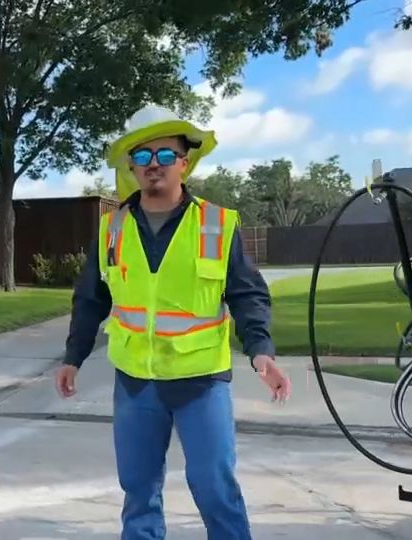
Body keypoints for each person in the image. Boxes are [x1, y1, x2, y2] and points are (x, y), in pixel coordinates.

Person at [54, 104, 291, 540]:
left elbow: (246, 294)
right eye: (143, 157)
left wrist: (261, 351)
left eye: (165, 156)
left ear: (184, 162)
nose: (154, 166)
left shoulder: (217, 224)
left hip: (200, 381)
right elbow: (90, 298)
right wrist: (74, 356)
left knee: (215, 487)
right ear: (132, 166)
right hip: (135, 382)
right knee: (139, 491)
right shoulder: (112, 229)